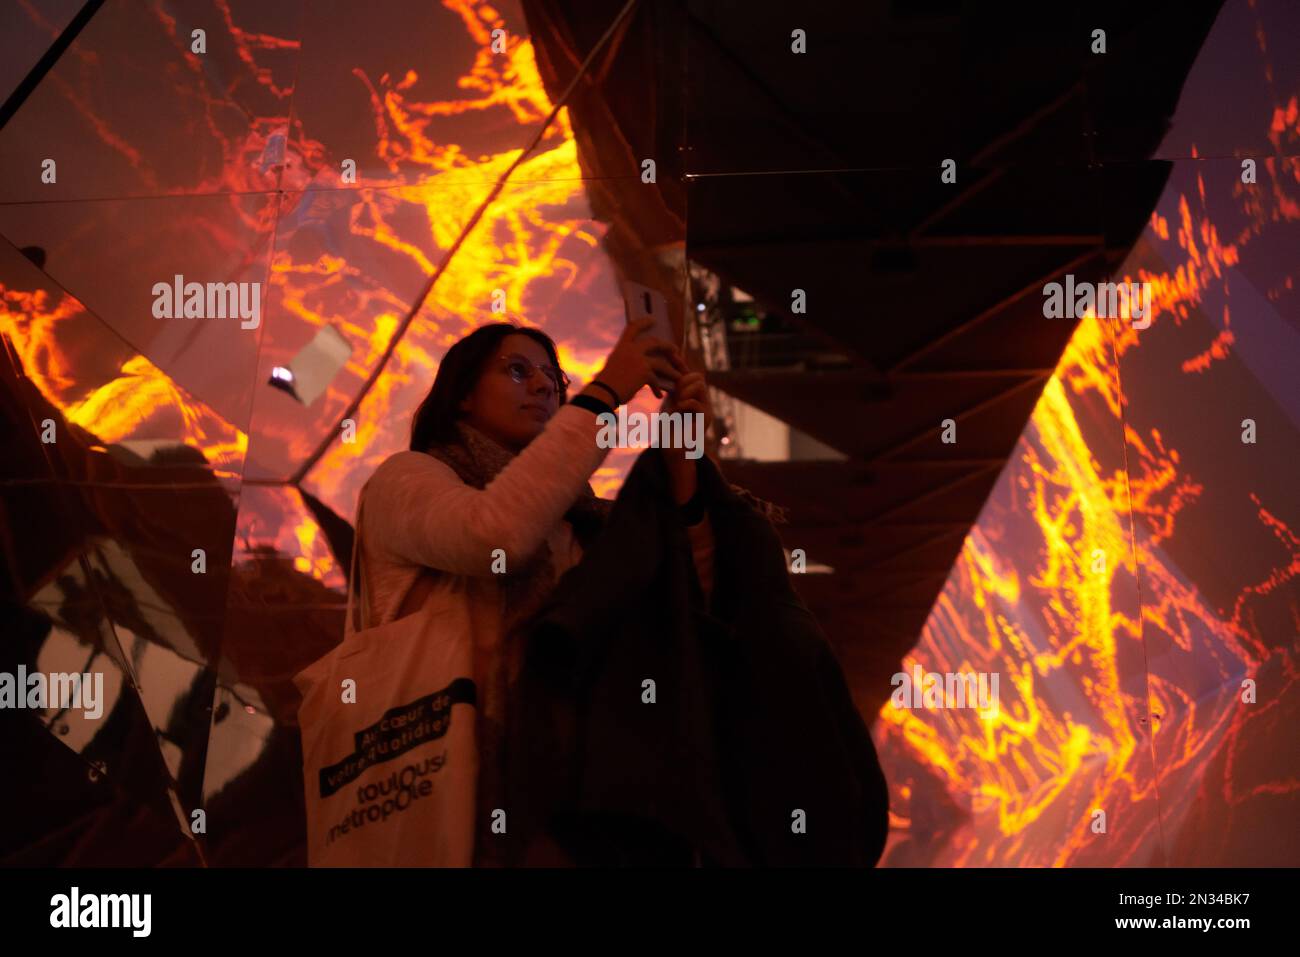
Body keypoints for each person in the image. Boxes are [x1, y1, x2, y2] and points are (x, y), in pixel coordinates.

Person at [352, 316, 718, 866]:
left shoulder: (582, 519)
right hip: (441, 784)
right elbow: (494, 535)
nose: (546, 386)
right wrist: (606, 393)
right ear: (461, 396)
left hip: (575, 803)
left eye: (555, 378)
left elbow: (690, 602)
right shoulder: (405, 481)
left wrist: (684, 470)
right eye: (518, 371)